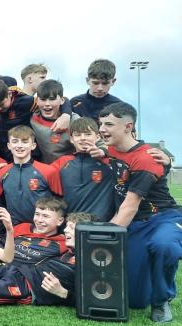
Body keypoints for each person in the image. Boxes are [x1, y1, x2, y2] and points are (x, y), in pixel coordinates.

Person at [99, 102, 182, 322]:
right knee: (135, 300)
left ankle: (162, 300)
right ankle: (148, 290)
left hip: (161, 218)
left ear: (128, 127)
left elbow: (130, 205)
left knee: (164, 245)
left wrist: (103, 238)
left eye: (109, 124)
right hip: (135, 223)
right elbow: (101, 150)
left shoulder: (147, 158)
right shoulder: (111, 147)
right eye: (101, 124)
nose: (102, 129)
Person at [0, 126, 62, 228]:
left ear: (33, 145)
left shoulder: (49, 171)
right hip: (14, 230)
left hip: (42, 229)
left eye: (25, 141)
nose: (19, 145)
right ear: (9, 145)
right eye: (15, 141)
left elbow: (59, 203)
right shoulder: (0, 173)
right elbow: (1, 205)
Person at [50, 118, 115, 221]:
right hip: (69, 227)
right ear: (71, 139)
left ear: (98, 137)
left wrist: (104, 152)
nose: (82, 138)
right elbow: (41, 175)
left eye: (88, 134)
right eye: (78, 135)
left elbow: (127, 155)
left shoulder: (110, 162)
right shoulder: (62, 162)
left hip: (100, 226)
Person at [31, 79, 79, 163]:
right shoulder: (31, 117)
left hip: (70, 168)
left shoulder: (74, 120)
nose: (47, 104)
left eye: (52, 99)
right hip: (46, 170)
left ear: (62, 100)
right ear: (37, 101)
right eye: (43, 99)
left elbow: (97, 142)